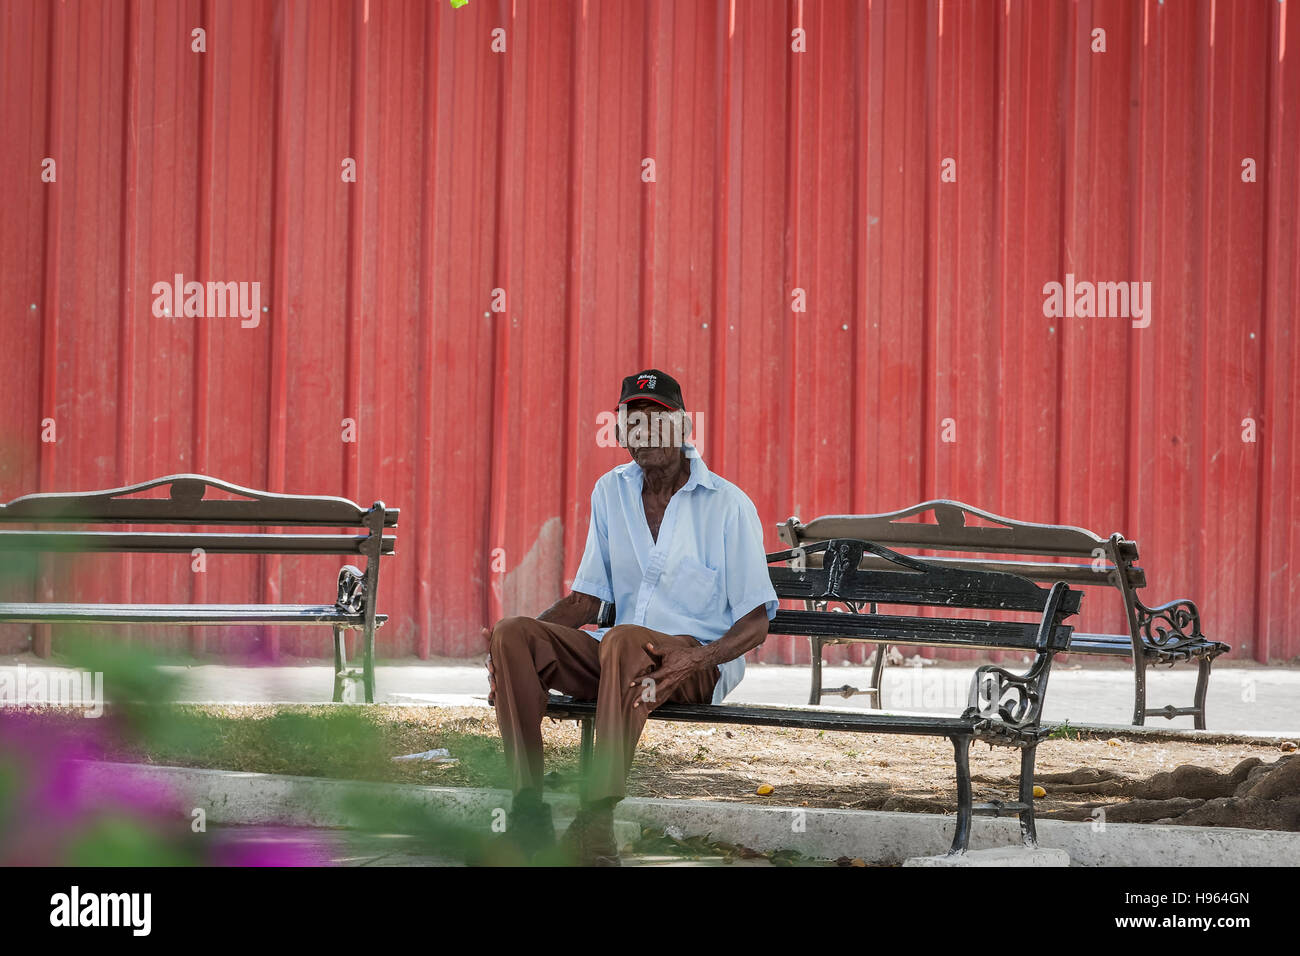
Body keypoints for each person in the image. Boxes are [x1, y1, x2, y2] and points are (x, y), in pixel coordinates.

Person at [482, 368, 778, 865]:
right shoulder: (609, 493)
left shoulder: (728, 506)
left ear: (683, 428)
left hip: (691, 665)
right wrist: (510, 658)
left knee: (622, 641)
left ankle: (594, 826)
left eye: (657, 420)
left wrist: (691, 661)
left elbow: (755, 624)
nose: (646, 432)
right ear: (621, 436)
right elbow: (584, 600)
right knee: (513, 634)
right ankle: (527, 815)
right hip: (621, 664)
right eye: (633, 422)